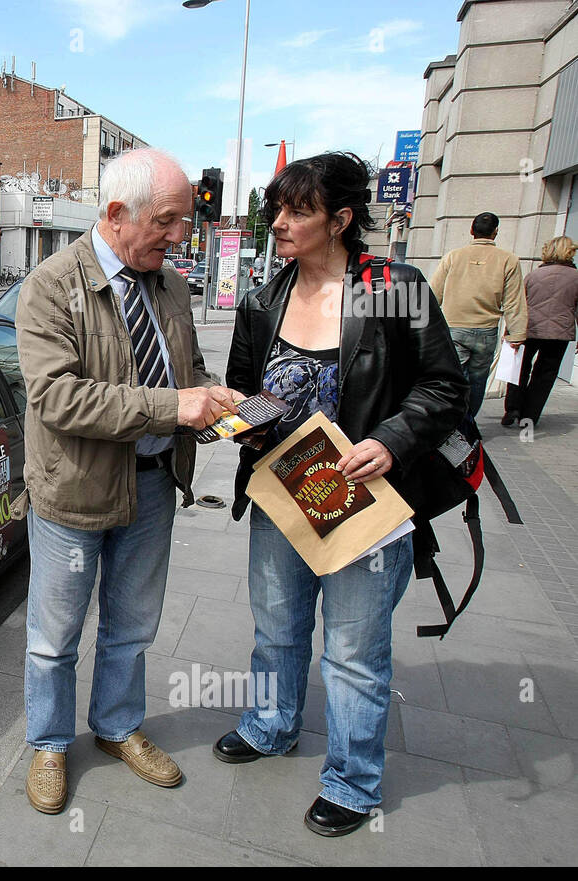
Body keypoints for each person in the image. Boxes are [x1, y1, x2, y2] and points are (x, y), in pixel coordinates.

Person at [220, 152, 467, 837]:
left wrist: (391, 438)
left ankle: (354, 783)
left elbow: (445, 385)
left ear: (342, 219)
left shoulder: (395, 288)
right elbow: (248, 389)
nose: (281, 223)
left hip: (366, 503)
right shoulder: (263, 298)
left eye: (299, 211)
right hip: (282, 497)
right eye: (278, 209)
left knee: (355, 652)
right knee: (277, 632)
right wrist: (239, 421)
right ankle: (271, 725)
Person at [15, 147, 240, 815]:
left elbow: (187, 370)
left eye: (183, 222)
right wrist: (175, 406)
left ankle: (116, 727)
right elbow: (59, 398)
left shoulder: (169, 284)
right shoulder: (52, 285)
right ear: (116, 214)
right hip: (73, 495)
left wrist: (219, 408)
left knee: (133, 625)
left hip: (151, 486)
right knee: (55, 636)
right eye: (167, 222)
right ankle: (50, 743)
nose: (179, 237)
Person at [429, 212, 528, 418]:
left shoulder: (453, 257)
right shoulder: (508, 260)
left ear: (471, 230)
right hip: (486, 330)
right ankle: (468, 422)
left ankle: (450, 420)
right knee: (477, 380)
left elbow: (434, 293)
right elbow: (514, 300)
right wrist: (517, 334)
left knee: (452, 377)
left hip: (454, 327)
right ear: (496, 232)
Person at [503, 236, 578, 428]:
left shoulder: (533, 276)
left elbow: (519, 304)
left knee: (520, 367)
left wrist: (510, 330)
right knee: (545, 375)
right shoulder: (576, 278)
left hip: (530, 328)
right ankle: (529, 416)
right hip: (559, 333)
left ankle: (512, 407)